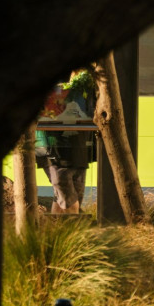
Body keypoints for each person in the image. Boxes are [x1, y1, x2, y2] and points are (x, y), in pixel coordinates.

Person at [35, 70, 97, 214]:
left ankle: (61, 231)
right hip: (56, 145)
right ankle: (69, 229)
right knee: (68, 197)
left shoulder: (84, 84)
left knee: (69, 194)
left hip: (76, 144)